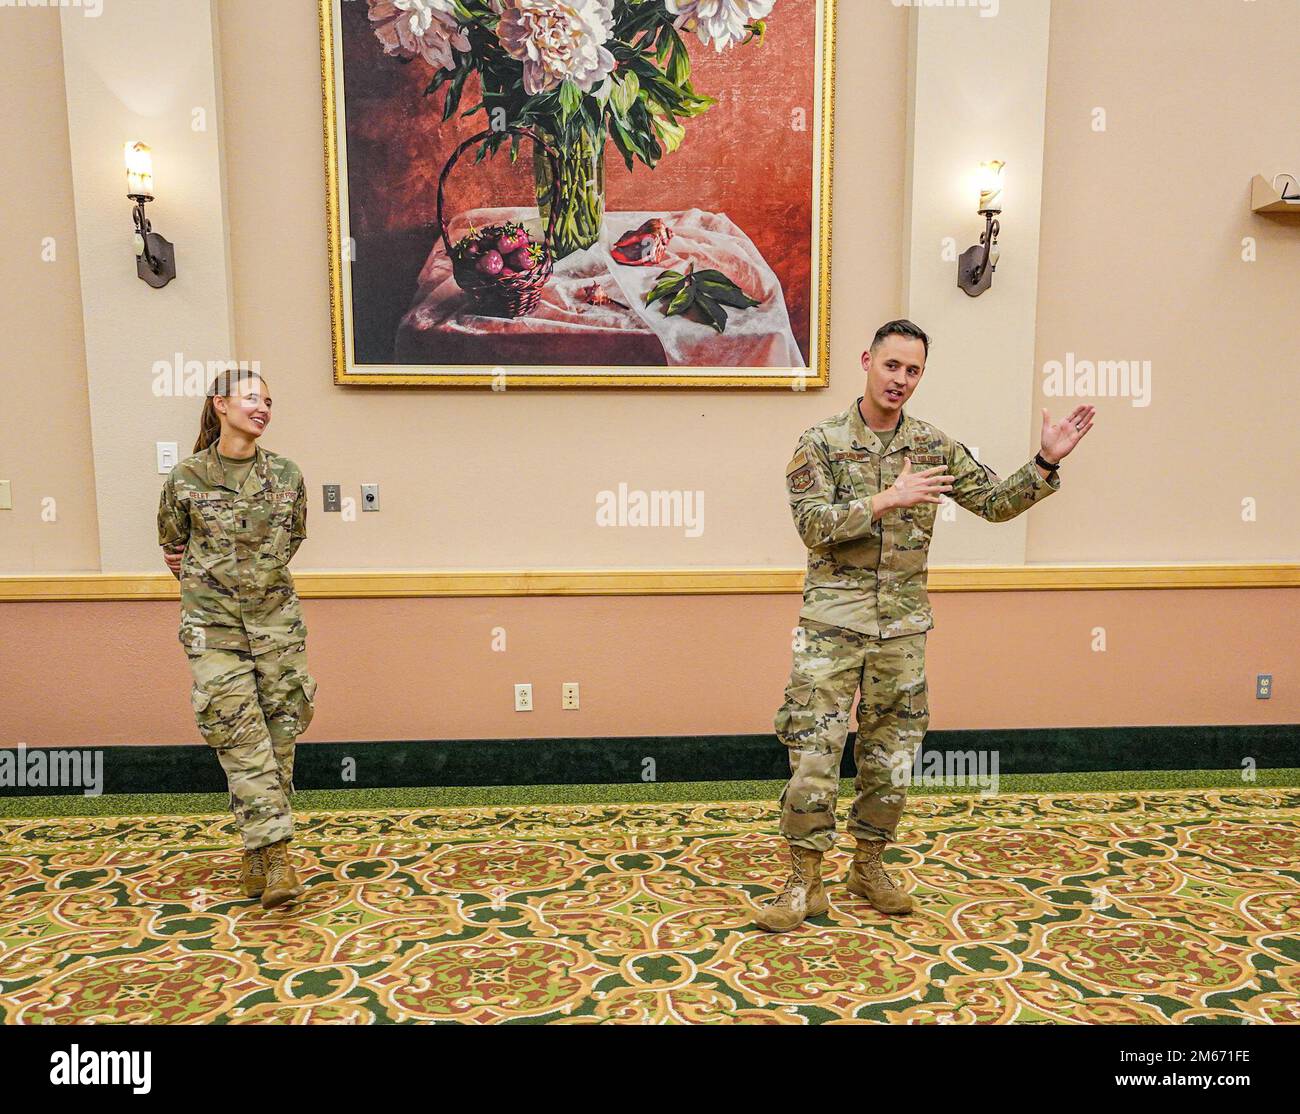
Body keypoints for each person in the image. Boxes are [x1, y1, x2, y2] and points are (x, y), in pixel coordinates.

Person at [755, 319, 1094, 932]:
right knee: (814, 753)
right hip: (831, 626)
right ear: (867, 361)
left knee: (891, 755)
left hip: (903, 631)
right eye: (892, 366)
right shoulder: (821, 441)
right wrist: (887, 498)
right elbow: (812, 526)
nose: (901, 380)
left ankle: (869, 865)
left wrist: (1045, 461)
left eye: (913, 371)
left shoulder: (933, 445)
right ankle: (802, 881)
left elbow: (994, 504)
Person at [157, 368, 316, 909]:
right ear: (220, 404)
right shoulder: (186, 478)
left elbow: (291, 538)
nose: (263, 408)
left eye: (269, 400)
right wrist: (219, 591)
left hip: (277, 626)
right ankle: (276, 854)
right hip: (214, 629)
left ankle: (255, 852)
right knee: (238, 733)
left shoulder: (288, 475)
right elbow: (175, 549)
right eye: (252, 398)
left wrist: (255, 582)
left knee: (280, 736)